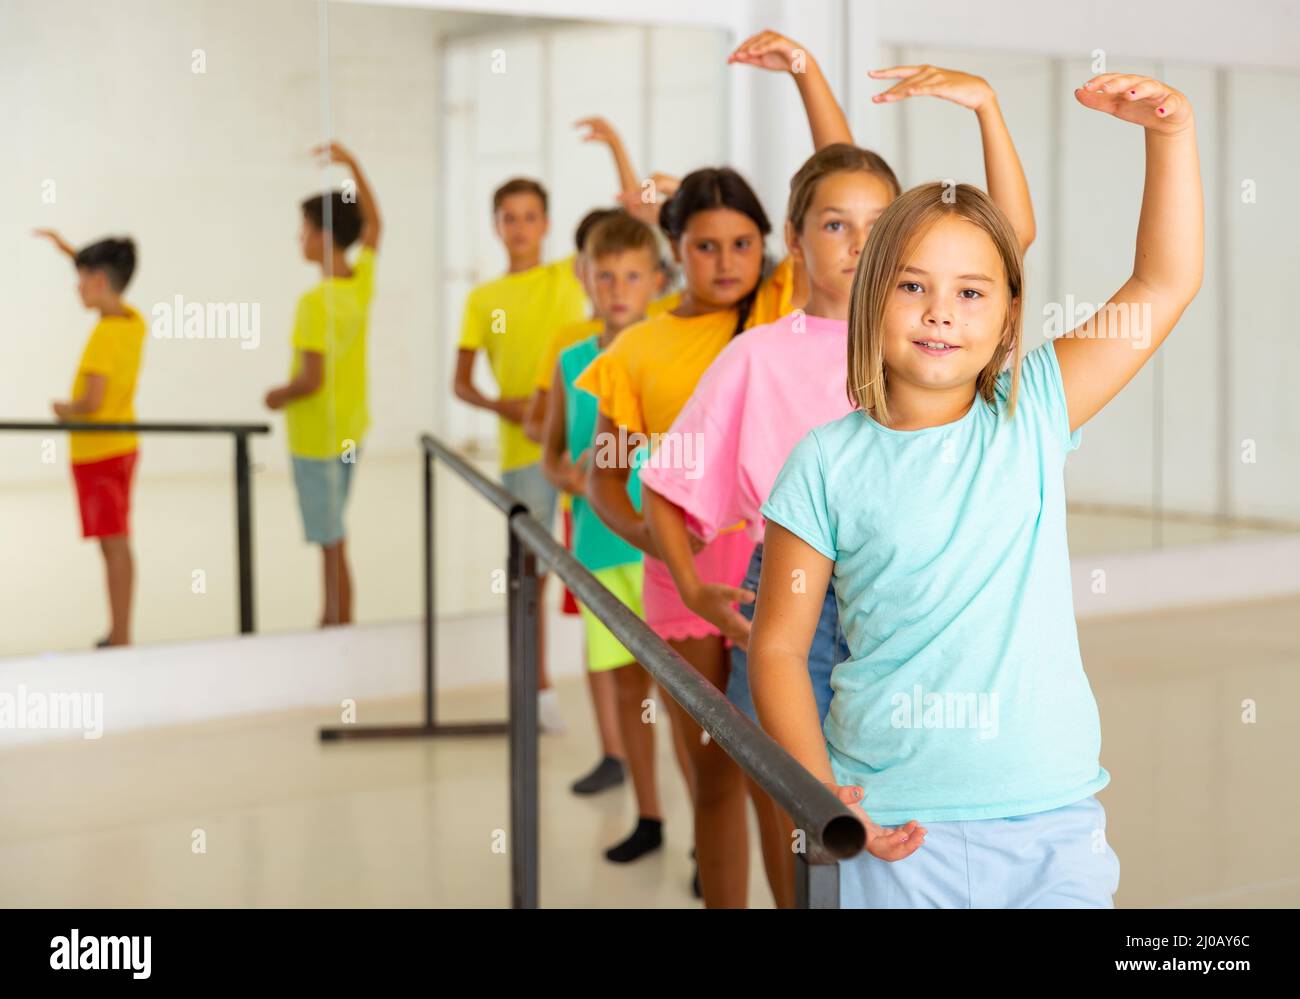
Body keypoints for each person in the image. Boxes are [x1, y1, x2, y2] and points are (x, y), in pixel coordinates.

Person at [750, 74, 1202, 908]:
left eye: (970, 292)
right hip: (889, 824)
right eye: (912, 285)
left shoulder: (1032, 411)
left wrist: (1167, 137)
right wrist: (821, 796)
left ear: (1007, 314)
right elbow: (777, 645)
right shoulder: (821, 464)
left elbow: (1162, 284)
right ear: (871, 296)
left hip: (1049, 823)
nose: (939, 313)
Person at [637, 64, 1037, 905]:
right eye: (832, 226)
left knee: (887, 825)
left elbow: (1009, 242)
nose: (855, 244)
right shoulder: (757, 351)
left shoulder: (922, 337)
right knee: (803, 819)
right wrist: (697, 592)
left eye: (874, 228)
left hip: (901, 597)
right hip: (792, 607)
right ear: (796, 239)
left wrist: (985, 109)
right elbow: (665, 485)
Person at [576, 29, 851, 908]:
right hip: (689, 581)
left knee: (787, 783)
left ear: (773, 249)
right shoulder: (640, 345)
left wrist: (807, 74)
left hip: (787, 563)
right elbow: (601, 475)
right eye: (704, 246)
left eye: (742, 243)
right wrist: (671, 558)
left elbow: (840, 177)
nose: (726, 261)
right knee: (717, 778)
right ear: (673, 250)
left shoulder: (780, 304)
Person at [541, 213, 669, 859]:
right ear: (585, 278)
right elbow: (551, 457)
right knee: (624, 685)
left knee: (681, 698)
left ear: (654, 281)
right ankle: (649, 815)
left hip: (660, 549)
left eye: (631, 276)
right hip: (598, 549)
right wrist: (578, 473)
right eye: (606, 276)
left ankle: (708, 838)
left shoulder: (667, 348)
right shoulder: (572, 361)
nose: (618, 289)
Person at [452, 176, 588, 733]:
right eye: (510, 218)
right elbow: (461, 384)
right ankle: (536, 689)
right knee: (529, 576)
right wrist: (508, 408)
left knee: (594, 570)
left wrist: (615, 152)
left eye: (530, 216)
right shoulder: (482, 299)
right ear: (496, 226)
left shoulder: (566, 275)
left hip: (580, 446)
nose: (520, 228)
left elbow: (635, 239)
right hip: (523, 451)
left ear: (547, 223)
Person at [265, 141, 381, 627]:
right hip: (352, 432)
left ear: (325, 236)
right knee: (336, 535)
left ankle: (336, 622)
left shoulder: (315, 302)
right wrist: (353, 165)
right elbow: (376, 225)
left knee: (331, 539)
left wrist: (277, 395)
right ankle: (335, 617)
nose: (300, 239)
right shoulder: (362, 281)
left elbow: (309, 380)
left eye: (305, 230)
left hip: (316, 440)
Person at [35, 230, 145, 647]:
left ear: (99, 281)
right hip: (121, 449)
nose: (76, 286)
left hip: (99, 453)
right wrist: (70, 251)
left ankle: (121, 634)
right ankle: (119, 630)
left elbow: (92, 402)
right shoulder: (131, 322)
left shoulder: (103, 336)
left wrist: (66, 408)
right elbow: (103, 276)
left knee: (114, 544)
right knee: (114, 542)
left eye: (81, 278)